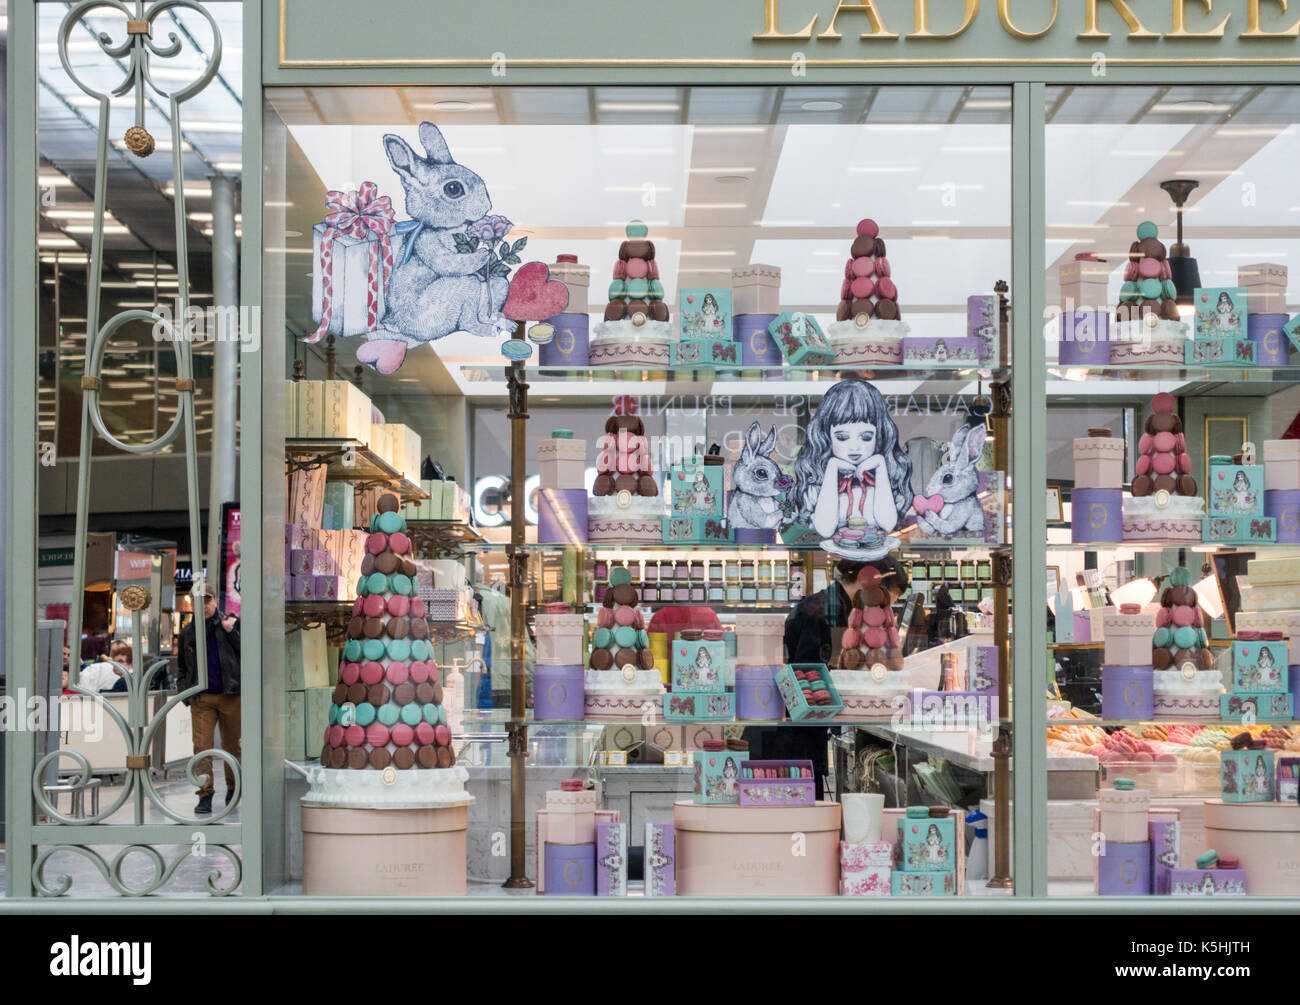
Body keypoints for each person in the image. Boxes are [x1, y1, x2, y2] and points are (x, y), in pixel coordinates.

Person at [743, 556, 909, 799]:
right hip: (783, 749)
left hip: (793, 742)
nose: (883, 610)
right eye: (887, 601)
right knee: (795, 825)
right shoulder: (822, 613)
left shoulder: (838, 610)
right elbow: (807, 684)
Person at [177, 585, 241, 815]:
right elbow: (182, 666)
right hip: (202, 697)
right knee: (201, 748)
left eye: (207, 600)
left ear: (215, 601)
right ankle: (205, 794)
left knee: (233, 747)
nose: (203, 605)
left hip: (231, 694)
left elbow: (246, 652)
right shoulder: (187, 632)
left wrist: (230, 631)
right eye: (198, 601)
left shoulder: (230, 624)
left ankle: (233, 788)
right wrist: (186, 692)